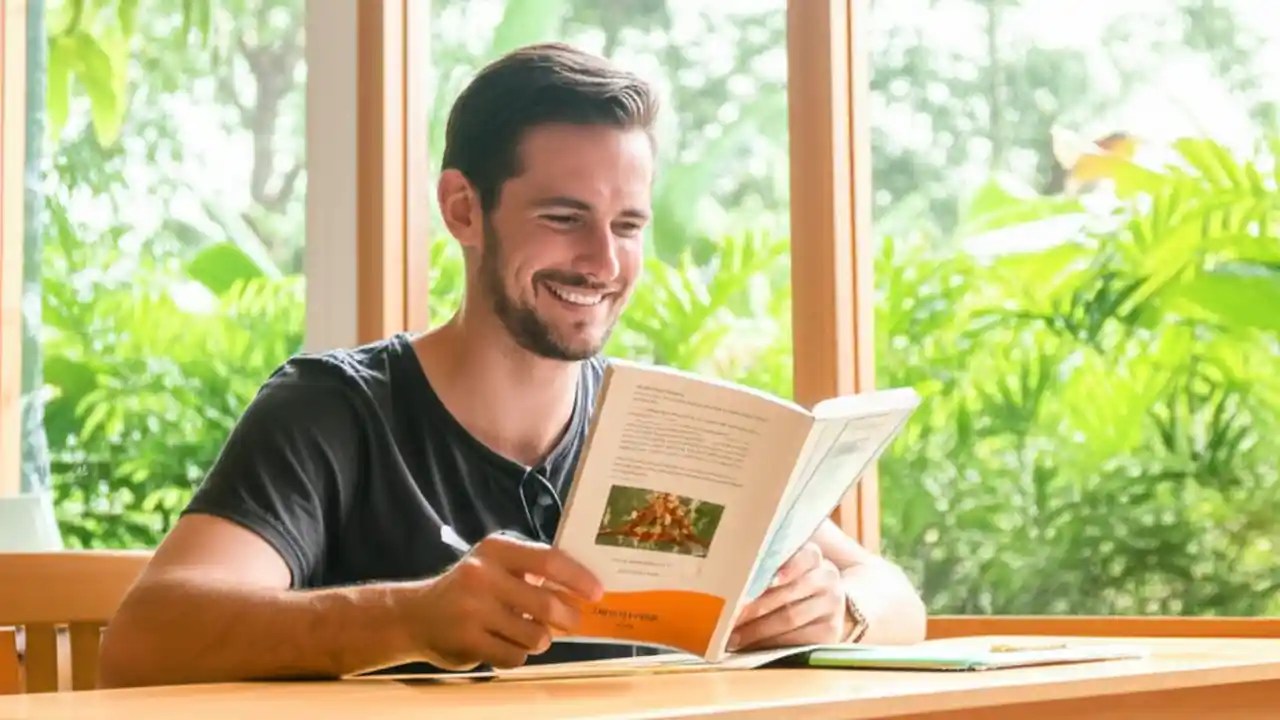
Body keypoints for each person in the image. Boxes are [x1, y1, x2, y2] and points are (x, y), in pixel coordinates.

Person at [99, 42, 926, 689]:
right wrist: (410, 619)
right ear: (464, 208)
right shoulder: (333, 413)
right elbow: (143, 641)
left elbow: (898, 600)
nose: (603, 261)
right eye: (565, 216)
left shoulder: (662, 429)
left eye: (628, 225)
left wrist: (842, 611)